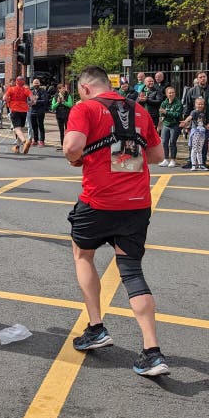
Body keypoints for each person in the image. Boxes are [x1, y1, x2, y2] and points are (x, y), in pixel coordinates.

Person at [63, 66, 168, 377]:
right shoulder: (137, 109)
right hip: (136, 204)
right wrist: (124, 155)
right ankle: (152, 351)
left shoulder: (85, 108)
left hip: (98, 202)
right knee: (132, 271)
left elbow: (71, 147)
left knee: (83, 255)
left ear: (84, 88)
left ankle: (96, 328)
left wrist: (77, 158)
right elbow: (157, 154)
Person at [181, 72, 209, 169]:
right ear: (197, 79)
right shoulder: (191, 91)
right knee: (192, 143)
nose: (202, 79)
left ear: (206, 78)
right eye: (200, 77)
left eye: (204, 76)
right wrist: (187, 124)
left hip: (206, 122)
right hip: (194, 124)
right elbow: (187, 108)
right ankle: (190, 161)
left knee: (203, 144)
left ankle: (202, 162)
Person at [179, 97, 208, 171]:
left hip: (202, 132)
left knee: (200, 149)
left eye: (202, 104)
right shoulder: (194, 112)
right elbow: (190, 117)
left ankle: (200, 165)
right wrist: (185, 121)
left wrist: (206, 126)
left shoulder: (203, 113)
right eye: (198, 104)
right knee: (194, 148)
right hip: (195, 132)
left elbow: (203, 123)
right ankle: (193, 165)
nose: (200, 105)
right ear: (195, 105)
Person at [5, 76, 32, 154]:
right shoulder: (26, 90)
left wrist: (8, 100)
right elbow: (33, 99)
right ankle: (17, 147)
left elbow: (4, 97)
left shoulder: (11, 89)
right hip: (24, 111)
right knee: (20, 129)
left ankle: (25, 141)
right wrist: (30, 103)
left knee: (17, 129)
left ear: (16, 82)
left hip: (14, 110)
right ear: (23, 82)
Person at [158, 87, 183, 167]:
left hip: (174, 125)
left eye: (173, 92)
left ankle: (173, 160)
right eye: (170, 93)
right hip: (166, 124)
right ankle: (165, 159)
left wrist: (166, 112)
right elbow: (161, 112)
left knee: (172, 142)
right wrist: (161, 117)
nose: (171, 94)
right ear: (166, 94)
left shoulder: (178, 103)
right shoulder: (164, 103)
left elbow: (177, 114)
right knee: (164, 142)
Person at [51, 83, 74, 149]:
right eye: (62, 88)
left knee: (67, 130)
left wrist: (64, 102)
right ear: (59, 89)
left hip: (67, 114)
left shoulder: (68, 95)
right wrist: (57, 103)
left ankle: (68, 144)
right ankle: (62, 144)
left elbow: (70, 105)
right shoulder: (55, 96)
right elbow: (53, 107)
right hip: (59, 115)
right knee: (61, 130)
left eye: (64, 88)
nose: (64, 89)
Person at [29, 78, 49, 146]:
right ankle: (35, 140)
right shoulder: (31, 91)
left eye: (37, 84)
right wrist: (30, 102)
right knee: (34, 126)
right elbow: (29, 100)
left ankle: (42, 140)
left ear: (39, 84)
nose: (36, 85)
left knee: (40, 126)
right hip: (32, 111)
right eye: (35, 84)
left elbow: (45, 101)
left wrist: (36, 102)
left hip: (40, 111)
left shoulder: (43, 91)